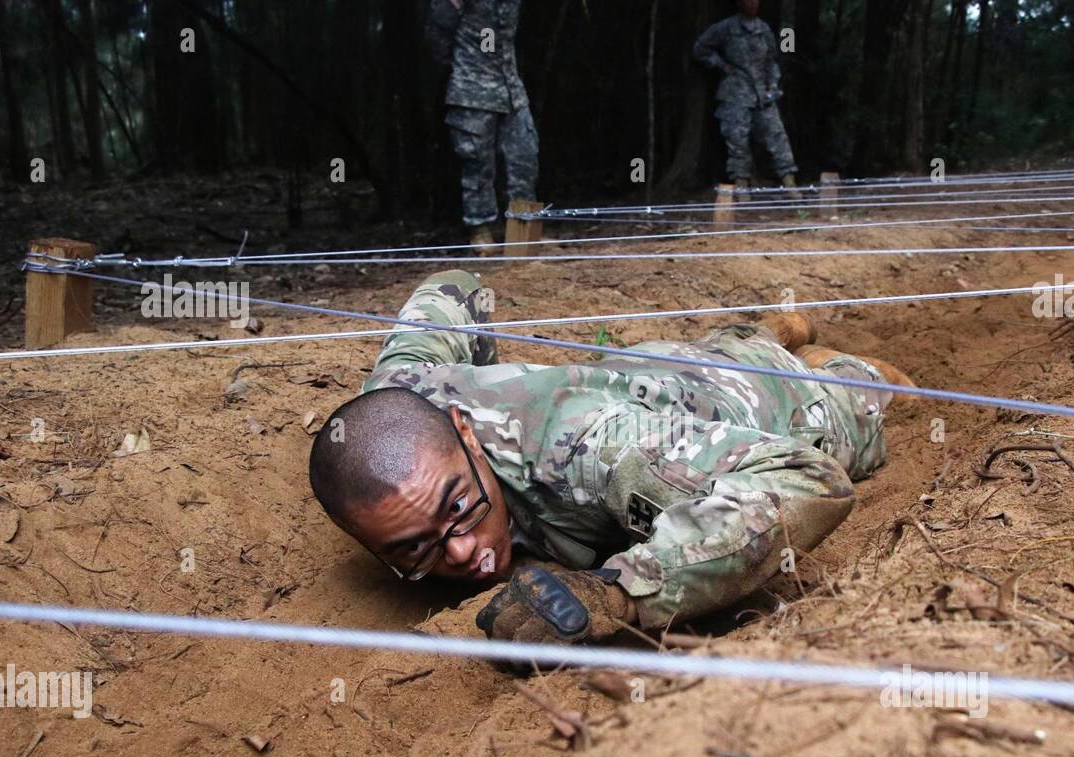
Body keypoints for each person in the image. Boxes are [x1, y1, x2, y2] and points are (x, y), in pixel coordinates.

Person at [308, 270, 914, 651]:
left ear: (465, 434)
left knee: (871, 397)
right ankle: (762, 333)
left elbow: (807, 478)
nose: (462, 551)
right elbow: (453, 285)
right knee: (709, 358)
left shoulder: (591, 454)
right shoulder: (399, 393)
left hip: (757, 406)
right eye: (415, 551)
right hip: (645, 371)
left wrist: (618, 592)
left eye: (459, 508)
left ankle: (815, 363)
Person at [426, 0, 538, 252]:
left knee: (525, 156)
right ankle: (481, 232)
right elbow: (437, 36)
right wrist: (460, 74)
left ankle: (523, 232)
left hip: (511, 89)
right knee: (477, 164)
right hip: (471, 89)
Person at [693, 0, 799, 191]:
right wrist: (721, 65)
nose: (752, 4)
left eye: (755, 1)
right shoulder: (726, 27)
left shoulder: (763, 29)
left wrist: (773, 84)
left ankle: (790, 183)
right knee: (737, 140)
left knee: (777, 136)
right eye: (748, 1)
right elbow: (700, 48)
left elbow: (772, 61)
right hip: (736, 92)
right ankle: (741, 186)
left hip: (763, 93)